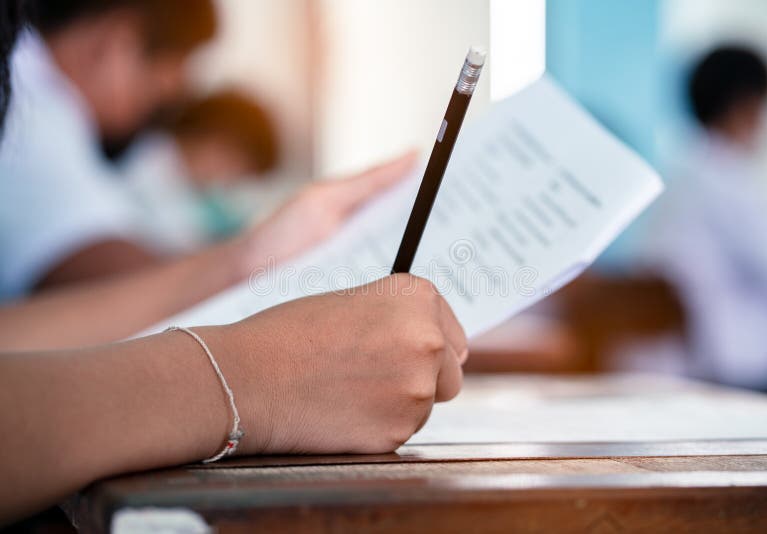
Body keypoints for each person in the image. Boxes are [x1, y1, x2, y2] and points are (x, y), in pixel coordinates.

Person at [0, 0, 468, 525]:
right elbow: (93, 261)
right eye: (164, 73)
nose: (169, 97)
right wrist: (260, 377)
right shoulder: (36, 92)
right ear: (112, 39)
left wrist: (245, 263)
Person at [637, 46, 767, 392]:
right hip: (733, 369)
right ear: (747, 106)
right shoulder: (727, 177)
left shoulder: (686, 170)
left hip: (697, 360)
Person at [120, 89, 281, 253]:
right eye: (235, 166)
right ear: (217, 140)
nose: (228, 181)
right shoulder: (146, 163)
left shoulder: (193, 191)